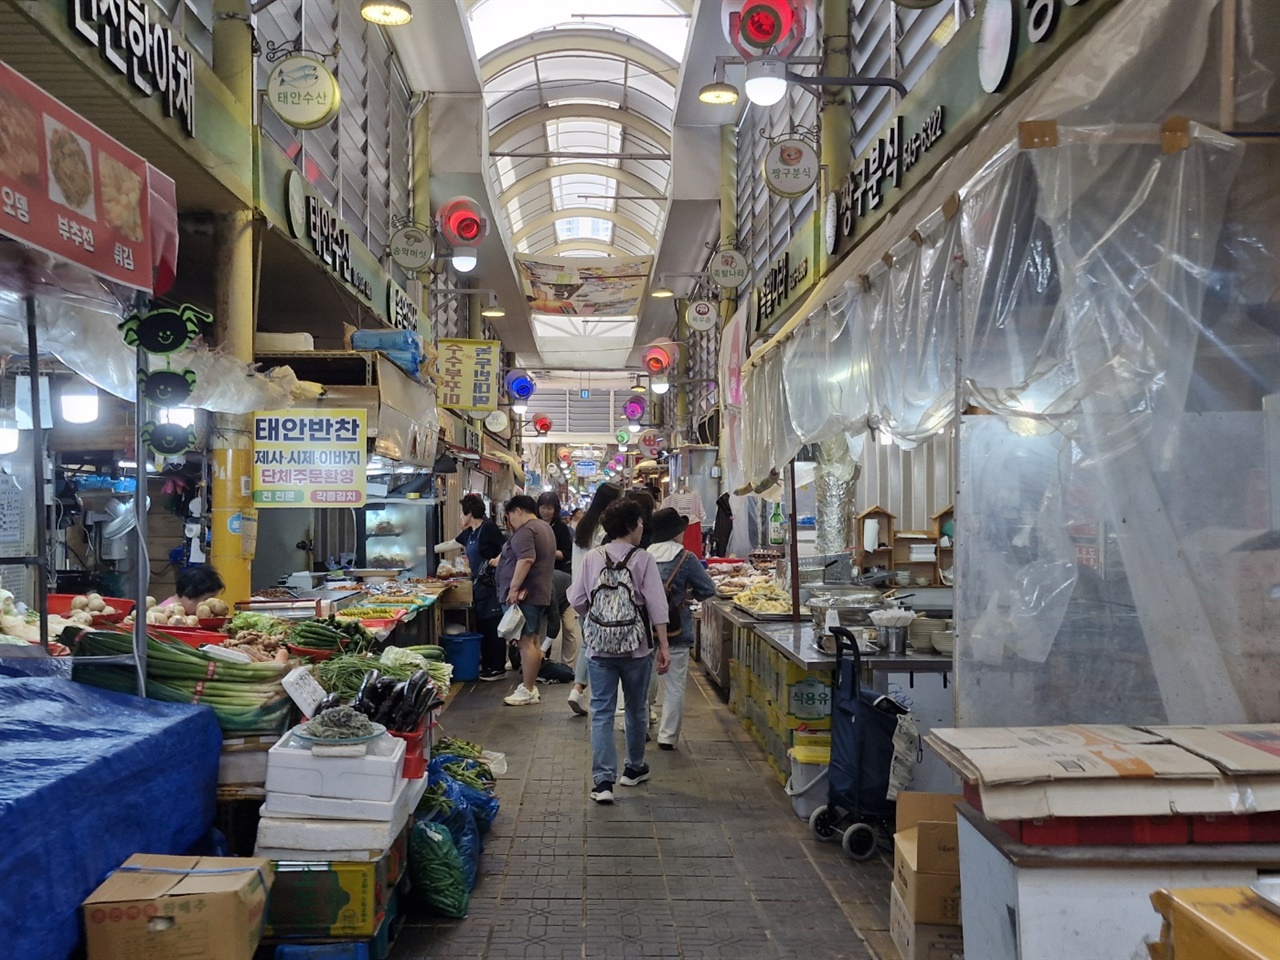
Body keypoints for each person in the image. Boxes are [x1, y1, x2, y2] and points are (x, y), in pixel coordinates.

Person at [569, 499, 670, 804]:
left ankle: (602, 783)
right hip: (636, 648)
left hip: (599, 648)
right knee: (636, 708)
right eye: (639, 522)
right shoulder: (643, 559)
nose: (642, 527)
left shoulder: (592, 558)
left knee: (600, 711)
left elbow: (578, 600)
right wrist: (663, 644)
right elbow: (656, 605)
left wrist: (600, 618)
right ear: (629, 527)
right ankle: (634, 768)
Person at [647, 508, 718, 750]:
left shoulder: (642, 556)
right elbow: (709, 589)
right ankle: (667, 737)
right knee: (675, 685)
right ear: (677, 532)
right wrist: (686, 595)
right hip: (676, 629)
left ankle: (641, 721)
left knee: (644, 681)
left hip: (644, 630)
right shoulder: (686, 558)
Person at [566, 481, 623, 716]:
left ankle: (578, 691)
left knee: (589, 642)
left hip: (580, 592)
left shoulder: (582, 527)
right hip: (599, 594)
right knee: (596, 646)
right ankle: (584, 691)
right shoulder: (604, 532)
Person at [496, 495, 556, 706]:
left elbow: (526, 559)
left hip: (525, 595)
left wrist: (513, 589)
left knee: (526, 642)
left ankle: (528, 689)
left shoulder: (526, 530)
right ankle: (530, 685)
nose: (510, 521)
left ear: (518, 511)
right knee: (533, 641)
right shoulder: (544, 527)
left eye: (510, 515)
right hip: (538, 593)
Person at [452, 494, 506, 681]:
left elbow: (506, 547)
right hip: (478, 586)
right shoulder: (471, 532)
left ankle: (498, 667)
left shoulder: (488, 528)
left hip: (491, 585)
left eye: (462, 512)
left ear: (470, 513)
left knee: (493, 625)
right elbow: (453, 543)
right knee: (483, 625)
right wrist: (426, 548)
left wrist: (496, 561)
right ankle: (488, 665)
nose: (461, 516)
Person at [537, 492, 573, 576]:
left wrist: (545, 551)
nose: (545, 511)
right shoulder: (533, 524)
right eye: (543, 508)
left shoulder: (561, 527)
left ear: (555, 509)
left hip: (555, 571)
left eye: (549, 508)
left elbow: (566, 553)